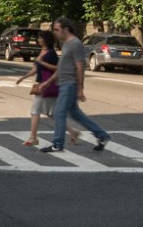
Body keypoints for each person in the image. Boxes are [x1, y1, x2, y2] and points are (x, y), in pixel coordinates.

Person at [41, 17, 109, 154]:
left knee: (58, 112)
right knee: (77, 115)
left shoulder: (75, 44)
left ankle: (57, 144)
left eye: (57, 29)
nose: (54, 32)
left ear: (65, 29)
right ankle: (102, 135)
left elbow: (80, 67)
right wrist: (48, 82)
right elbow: (61, 68)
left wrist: (80, 88)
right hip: (64, 84)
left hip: (70, 85)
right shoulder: (65, 44)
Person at [14, 32, 69, 147]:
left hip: (47, 85)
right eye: (38, 37)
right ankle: (73, 132)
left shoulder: (51, 53)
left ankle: (33, 137)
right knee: (51, 113)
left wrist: (42, 63)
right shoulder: (42, 51)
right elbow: (35, 69)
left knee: (35, 111)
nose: (38, 39)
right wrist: (23, 78)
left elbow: (58, 68)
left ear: (46, 40)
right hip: (41, 84)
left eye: (40, 38)